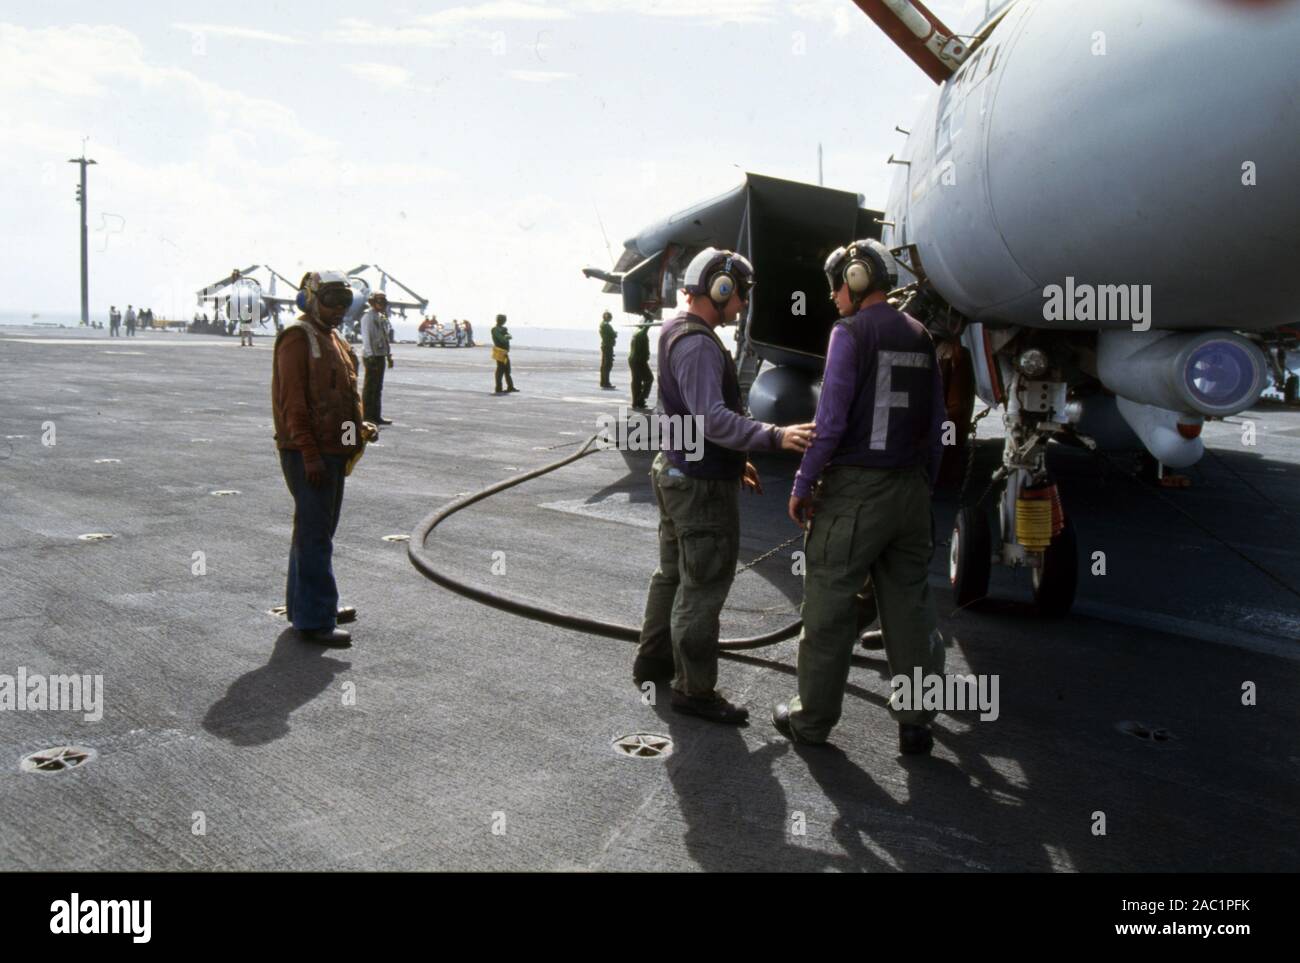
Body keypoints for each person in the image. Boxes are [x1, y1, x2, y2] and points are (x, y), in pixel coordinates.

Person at [772, 239, 946, 755]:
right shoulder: (921, 335)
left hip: (856, 495)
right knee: (911, 608)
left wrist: (803, 485)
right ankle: (917, 723)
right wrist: (921, 488)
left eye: (835, 285)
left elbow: (829, 423)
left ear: (855, 278)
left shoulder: (848, 333)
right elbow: (938, 426)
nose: (832, 297)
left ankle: (812, 721)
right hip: (911, 493)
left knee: (828, 607)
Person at [634, 247, 816, 723]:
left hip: (675, 471)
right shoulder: (697, 343)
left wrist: (737, 461)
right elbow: (712, 419)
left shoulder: (676, 330)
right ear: (720, 288)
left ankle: (653, 660)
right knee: (703, 586)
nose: (742, 303)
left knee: (672, 574)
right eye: (740, 293)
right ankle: (695, 691)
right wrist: (774, 436)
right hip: (697, 488)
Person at [271, 270, 370, 647]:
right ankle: (315, 620)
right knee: (315, 534)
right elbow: (292, 403)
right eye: (331, 301)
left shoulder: (335, 338)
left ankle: (307, 606)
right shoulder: (298, 338)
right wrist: (310, 456)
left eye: (345, 303)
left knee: (317, 531)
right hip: (307, 453)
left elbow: (346, 399)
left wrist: (354, 438)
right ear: (310, 298)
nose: (339, 309)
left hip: (332, 451)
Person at [360, 292, 394, 425]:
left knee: (377, 387)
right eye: (380, 302)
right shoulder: (368, 317)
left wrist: (388, 354)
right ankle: (368, 417)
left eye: (384, 302)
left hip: (380, 355)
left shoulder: (379, 317)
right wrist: (369, 355)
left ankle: (376, 415)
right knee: (370, 388)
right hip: (372, 356)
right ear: (373, 302)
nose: (383, 304)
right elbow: (366, 338)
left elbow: (384, 337)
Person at [628, 321, 654, 409]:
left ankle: (636, 402)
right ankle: (640, 399)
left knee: (636, 381)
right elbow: (646, 327)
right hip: (639, 360)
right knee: (649, 379)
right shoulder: (642, 333)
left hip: (634, 359)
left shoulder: (636, 332)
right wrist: (650, 320)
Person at [492, 314, 518, 393]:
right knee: (500, 370)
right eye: (502, 319)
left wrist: (506, 335)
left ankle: (510, 386)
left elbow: (510, 336)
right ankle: (498, 388)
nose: (503, 321)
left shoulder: (503, 329)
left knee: (507, 369)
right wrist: (506, 336)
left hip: (505, 351)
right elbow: (502, 339)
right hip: (499, 351)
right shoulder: (495, 329)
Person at [599, 310, 617, 388]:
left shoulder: (602, 324)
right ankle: (606, 383)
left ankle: (604, 382)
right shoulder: (606, 325)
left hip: (606, 345)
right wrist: (614, 334)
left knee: (604, 365)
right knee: (608, 364)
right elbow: (612, 334)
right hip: (608, 346)